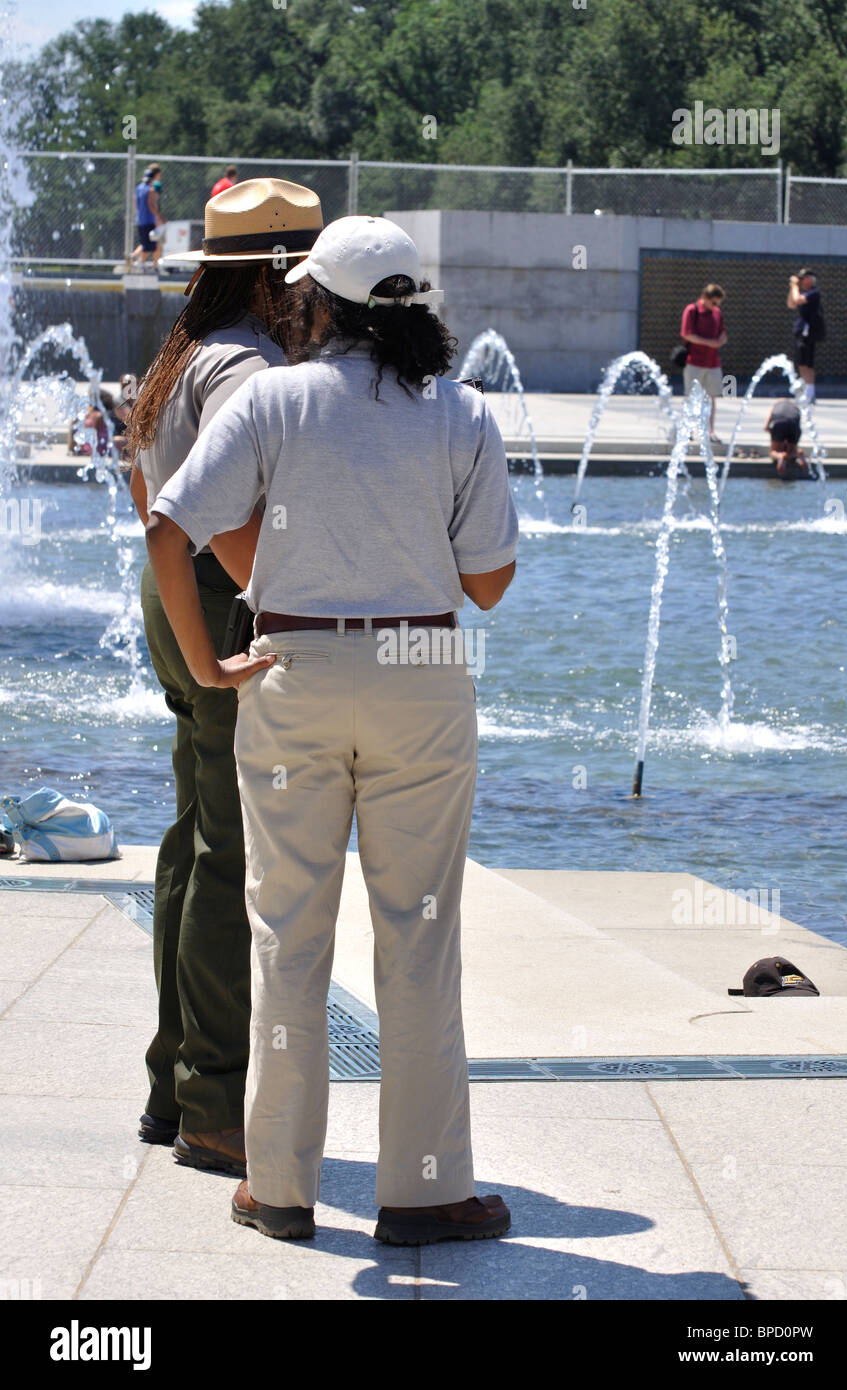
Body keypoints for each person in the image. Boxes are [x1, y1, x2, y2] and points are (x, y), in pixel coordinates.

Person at [145, 215, 518, 1245]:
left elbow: (167, 529)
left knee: (287, 938)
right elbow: (488, 584)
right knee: (420, 939)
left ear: (318, 303)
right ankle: (424, 1192)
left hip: (292, 672)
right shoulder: (461, 412)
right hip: (419, 677)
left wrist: (207, 666)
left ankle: (277, 1187)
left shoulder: (272, 398)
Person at [125, 178, 323, 1179]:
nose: (314, 298)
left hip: (173, 594)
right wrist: (273, 601)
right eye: (305, 278)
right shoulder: (249, 365)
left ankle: (174, 1087)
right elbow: (227, 514)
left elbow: (144, 485)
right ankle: (210, 1103)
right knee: (227, 850)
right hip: (217, 592)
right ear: (275, 276)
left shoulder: (184, 350)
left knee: (193, 831)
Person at [680, 283, 727, 443]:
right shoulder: (692, 310)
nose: (716, 306)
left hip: (713, 362)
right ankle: (688, 430)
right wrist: (709, 342)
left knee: (711, 398)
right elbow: (687, 334)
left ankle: (709, 431)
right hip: (694, 361)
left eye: (718, 303)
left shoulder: (717, 312)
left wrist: (721, 340)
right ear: (705, 297)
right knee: (691, 396)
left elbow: (722, 333)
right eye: (713, 302)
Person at [787, 267, 822, 405]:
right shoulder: (803, 292)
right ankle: (806, 390)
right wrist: (793, 287)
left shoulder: (814, 293)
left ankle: (810, 393)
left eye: (803, 278)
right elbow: (791, 303)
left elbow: (797, 300)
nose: (801, 281)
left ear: (809, 279)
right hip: (801, 332)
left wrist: (795, 286)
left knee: (808, 363)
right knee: (801, 362)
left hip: (808, 333)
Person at [131, 165, 165, 272]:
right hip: (149, 220)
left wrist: (137, 215)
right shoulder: (150, 190)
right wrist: (159, 217)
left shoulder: (138, 188)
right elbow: (151, 205)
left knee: (148, 243)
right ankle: (141, 263)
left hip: (140, 220)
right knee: (149, 244)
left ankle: (139, 259)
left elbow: (135, 205)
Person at [764, 398, 807, 478]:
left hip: (779, 424)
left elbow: (765, 427)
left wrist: (774, 435)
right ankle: (797, 453)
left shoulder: (775, 405)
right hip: (794, 426)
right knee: (792, 450)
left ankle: (780, 456)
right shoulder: (795, 407)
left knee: (773, 452)